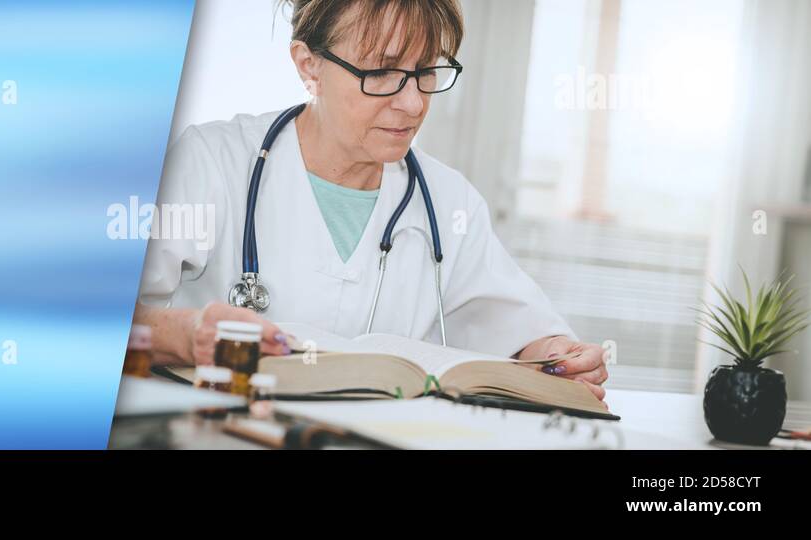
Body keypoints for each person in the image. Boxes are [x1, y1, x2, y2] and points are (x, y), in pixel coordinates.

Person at [133, 0, 608, 402]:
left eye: (426, 72)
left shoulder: (448, 201)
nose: (413, 103)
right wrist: (185, 333)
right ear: (308, 64)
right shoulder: (211, 161)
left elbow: (521, 332)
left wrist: (563, 357)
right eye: (381, 72)